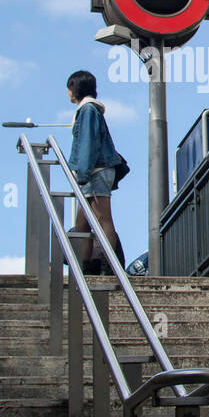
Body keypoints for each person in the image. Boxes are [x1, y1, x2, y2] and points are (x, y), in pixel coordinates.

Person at [66, 70, 126, 273]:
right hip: (92, 172)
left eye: (69, 88)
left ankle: (109, 265)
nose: (67, 93)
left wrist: (82, 174)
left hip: (95, 171)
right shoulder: (87, 111)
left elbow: (88, 143)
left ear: (75, 88)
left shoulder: (88, 111)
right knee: (81, 224)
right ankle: (86, 267)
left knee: (102, 219)